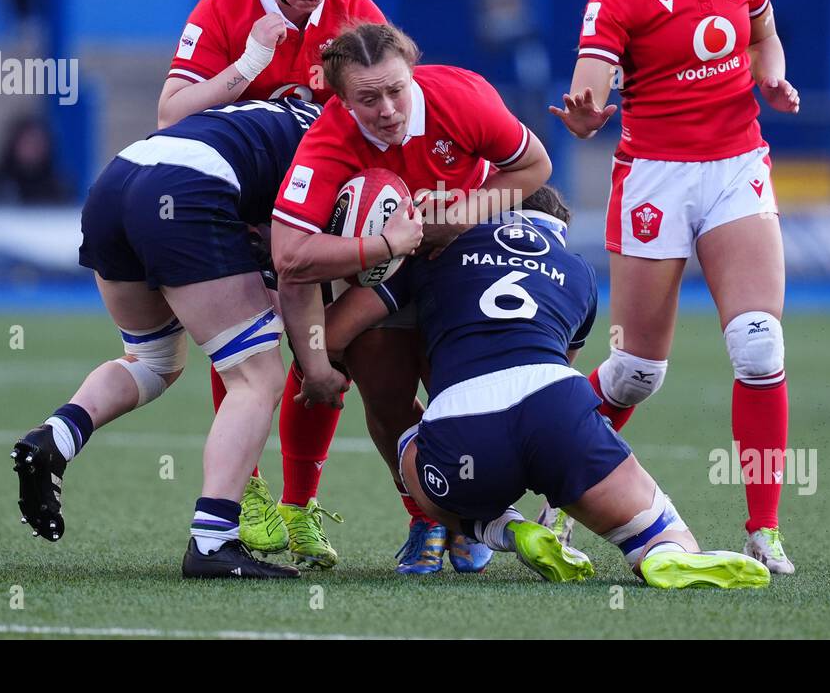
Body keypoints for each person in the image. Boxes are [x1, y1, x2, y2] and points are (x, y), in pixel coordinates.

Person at [7, 97, 410, 580]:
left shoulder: (282, 120)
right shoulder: (341, 151)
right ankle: (213, 541)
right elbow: (295, 268)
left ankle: (56, 438)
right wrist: (320, 360)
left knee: (153, 360)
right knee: (257, 378)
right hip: (186, 190)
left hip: (118, 180)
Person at [549, 0, 800, 574]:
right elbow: (591, 76)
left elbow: (762, 35)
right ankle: (551, 496)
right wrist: (587, 111)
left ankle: (765, 531)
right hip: (655, 179)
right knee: (633, 375)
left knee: (759, 345)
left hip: (735, 168)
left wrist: (773, 78)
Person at [315, 187, 770, 590]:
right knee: (653, 527)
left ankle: (502, 530)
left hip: (463, 422)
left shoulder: (437, 252)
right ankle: (667, 552)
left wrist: (323, 362)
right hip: (555, 404)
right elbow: (558, 363)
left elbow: (333, 335)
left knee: (409, 443)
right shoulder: (578, 273)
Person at [155, 0, 389, 567]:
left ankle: (298, 504)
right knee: (247, 344)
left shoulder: (350, 9)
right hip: (235, 207)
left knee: (327, 349)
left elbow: (392, 101)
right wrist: (248, 67)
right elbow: (172, 114)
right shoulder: (224, 5)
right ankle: (247, 494)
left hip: (316, 212)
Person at [270, 22, 551, 574]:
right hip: (383, 274)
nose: (388, 109)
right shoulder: (329, 140)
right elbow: (290, 258)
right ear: (342, 100)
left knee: (464, 394)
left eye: (397, 90)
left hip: (464, 260)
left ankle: (475, 514)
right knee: (378, 385)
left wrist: (456, 219)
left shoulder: (462, 99)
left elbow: (533, 165)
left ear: (413, 72)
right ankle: (423, 515)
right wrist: (382, 245)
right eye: (367, 99)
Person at [0, 114, 70, 205]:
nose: (33, 148)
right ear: (14, 144)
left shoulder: (59, 188)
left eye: (37, 143)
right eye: (27, 142)